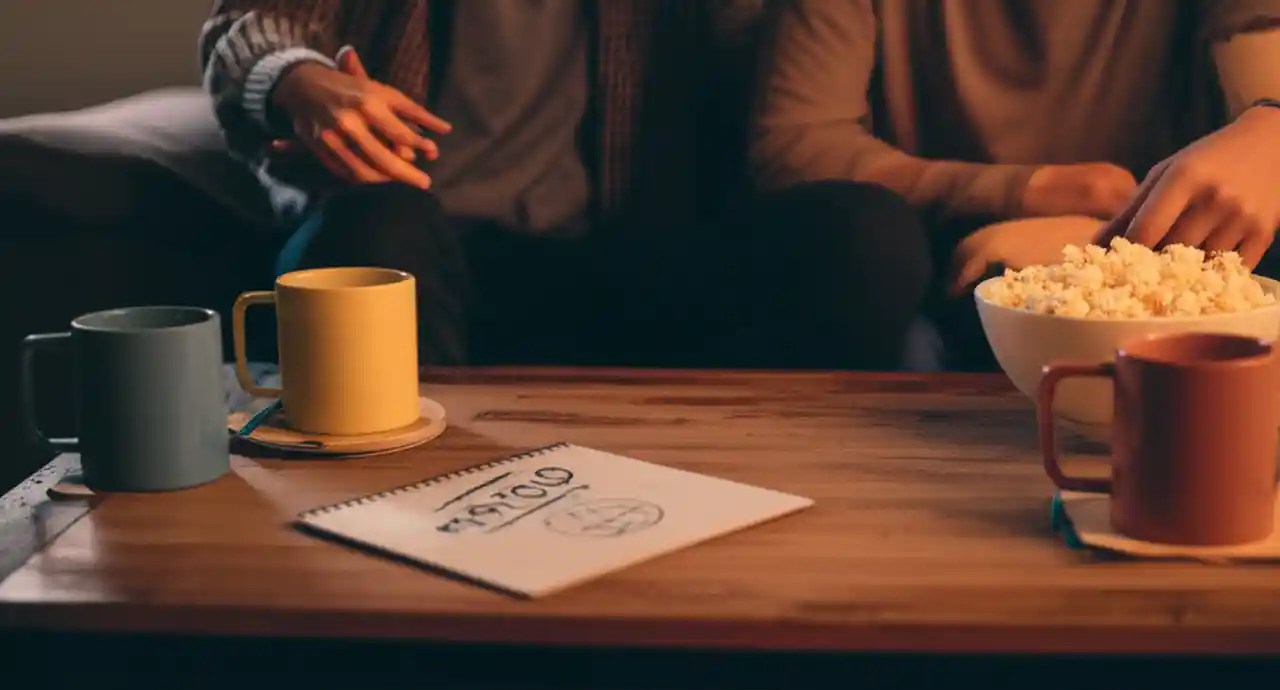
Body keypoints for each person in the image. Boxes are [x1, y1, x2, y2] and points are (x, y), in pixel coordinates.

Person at [200, 0, 930, 371]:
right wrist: (297, 79)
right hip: (428, 257)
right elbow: (253, 24)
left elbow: (777, 88)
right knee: (367, 243)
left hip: (635, 267)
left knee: (865, 235)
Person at [752, 0, 1280, 370]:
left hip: (1166, 258)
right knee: (861, 240)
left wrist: (1097, 244)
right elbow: (794, 144)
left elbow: (1259, 136)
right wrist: (1033, 190)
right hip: (923, 260)